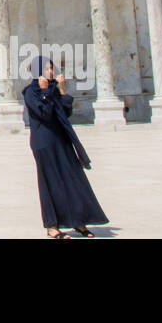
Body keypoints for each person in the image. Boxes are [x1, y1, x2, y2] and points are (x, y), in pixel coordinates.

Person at [22, 55, 109, 239]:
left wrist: (61, 90)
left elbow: (66, 112)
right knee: (50, 183)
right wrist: (45, 92)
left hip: (61, 139)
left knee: (73, 179)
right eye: (47, 69)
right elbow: (44, 114)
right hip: (43, 142)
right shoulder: (30, 92)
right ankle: (52, 226)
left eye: (52, 68)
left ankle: (78, 221)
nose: (51, 72)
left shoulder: (53, 89)